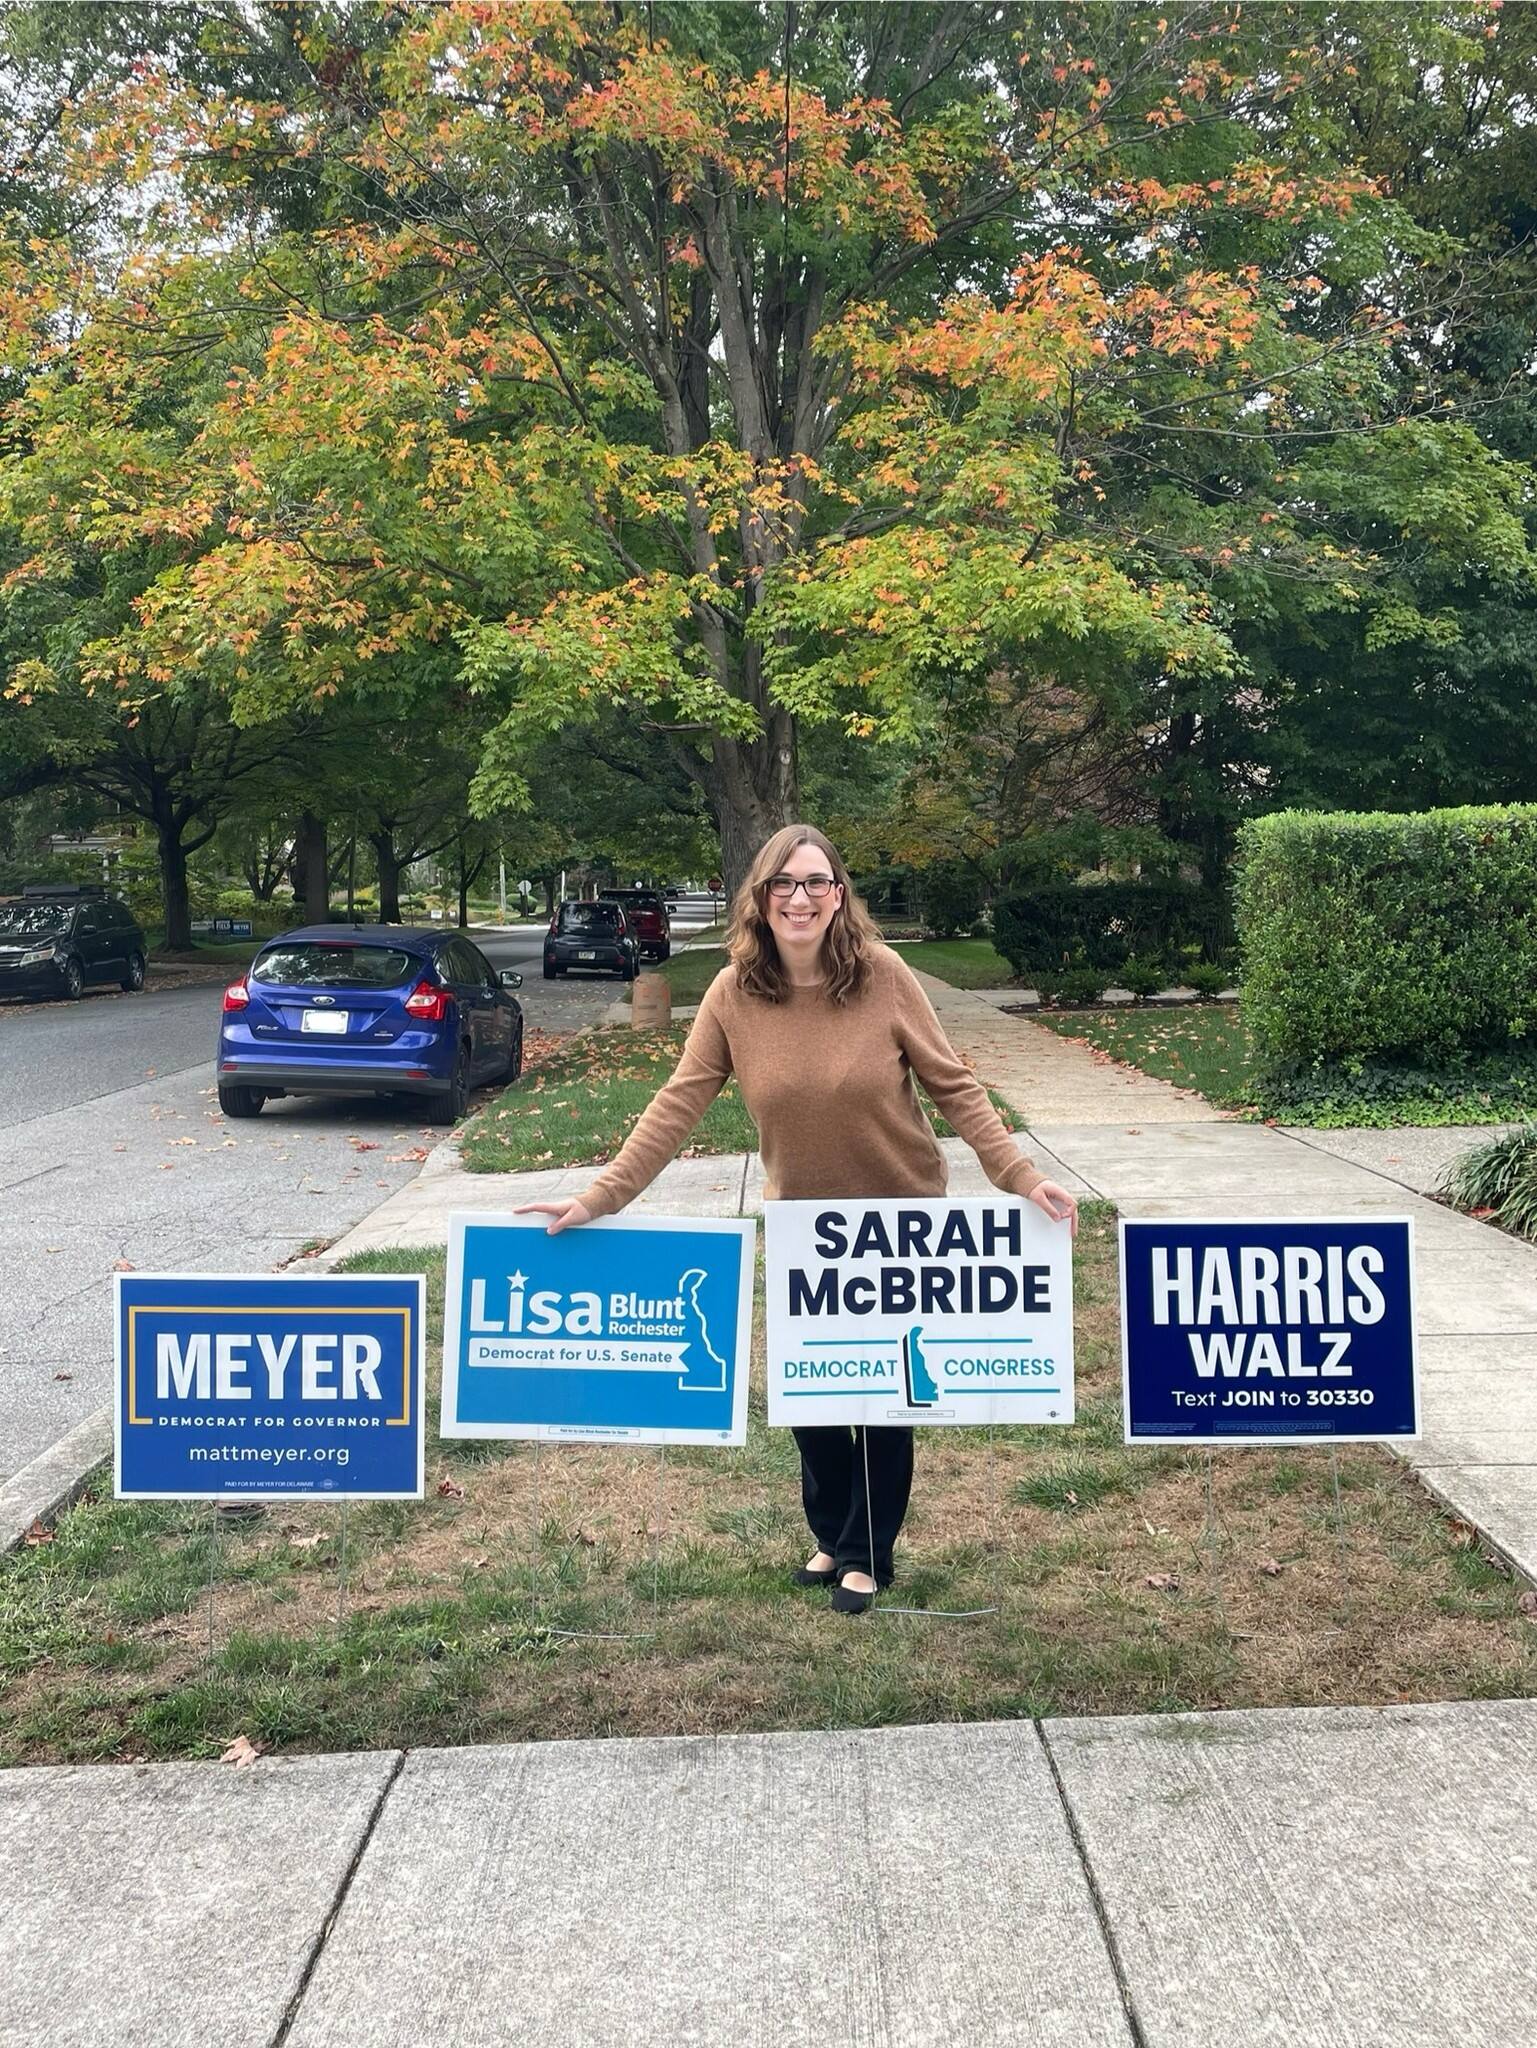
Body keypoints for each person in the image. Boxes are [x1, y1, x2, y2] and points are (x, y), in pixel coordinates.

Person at [517, 825, 1079, 1614]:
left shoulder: (883, 977)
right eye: (783, 884)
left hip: (897, 1220)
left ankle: (866, 1552)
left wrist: (1018, 1176)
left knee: (885, 1397)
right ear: (760, 898)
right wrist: (599, 1197)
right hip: (803, 1229)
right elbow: (678, 1102)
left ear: (839, 896)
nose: (800, 898)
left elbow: (953, 1086)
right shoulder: (733, 993)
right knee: (814, 1397)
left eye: (817, 883)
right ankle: (832, 1534)